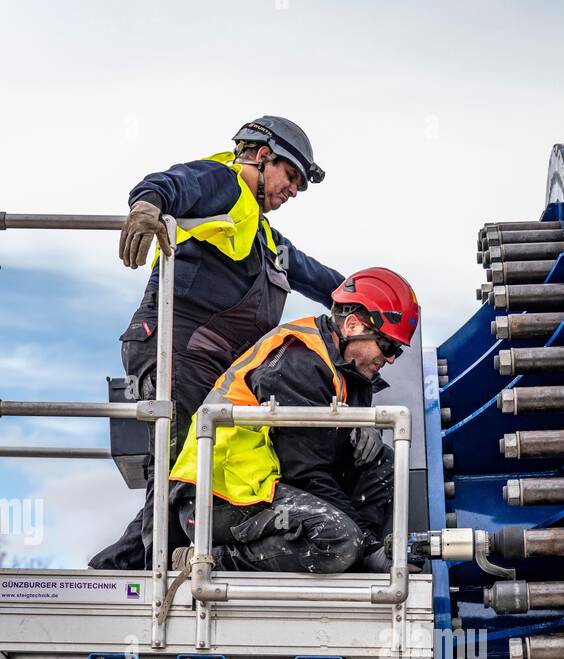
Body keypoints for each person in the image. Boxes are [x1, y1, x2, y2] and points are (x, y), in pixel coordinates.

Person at [90, 117, 342, 570]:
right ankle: (158, 579)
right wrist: (147, 207)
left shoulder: (262, 234)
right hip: (175, 347)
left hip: (205, 363)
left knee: (185, 471)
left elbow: (315, 276)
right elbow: (171, 183)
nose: (293, 192)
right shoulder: (223, 182)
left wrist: (358, 297)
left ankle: (116, 571)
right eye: (292, 178)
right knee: (176, 471)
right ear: (263, 157)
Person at [168, 268, 418, 575]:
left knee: (380, 462)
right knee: (339, 541)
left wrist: (359, 432)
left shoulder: (344, 368)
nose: (391, 359)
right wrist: (365, 545)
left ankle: (361, 554)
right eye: (388, 346)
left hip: (265, 485)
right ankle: (208, 559)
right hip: (220, 498)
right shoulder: (300, 360)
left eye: (398, 351)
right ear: (353, 325)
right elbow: (306, 470)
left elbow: (323, 457)